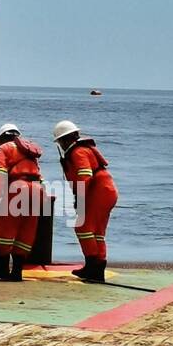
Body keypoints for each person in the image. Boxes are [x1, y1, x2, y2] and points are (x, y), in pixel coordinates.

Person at [53, 120, 118, 283]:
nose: (61, 145)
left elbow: (84, 176)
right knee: (97, 232)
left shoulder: (78, 152)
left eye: (60, 141)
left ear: (65, 139)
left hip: (99, 191)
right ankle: (97, 269)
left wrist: (80, 198)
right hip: (105, 190)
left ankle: (92, 266)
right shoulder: (82, 149)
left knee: (83, 228)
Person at [0, 122, 47, 282]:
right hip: (37, 189)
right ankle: (17, 272)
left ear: (1, 138)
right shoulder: (29, 150)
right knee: (26, 230)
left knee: (5, 229)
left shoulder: (4, 149)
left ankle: (1, 270)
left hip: (18, 188)